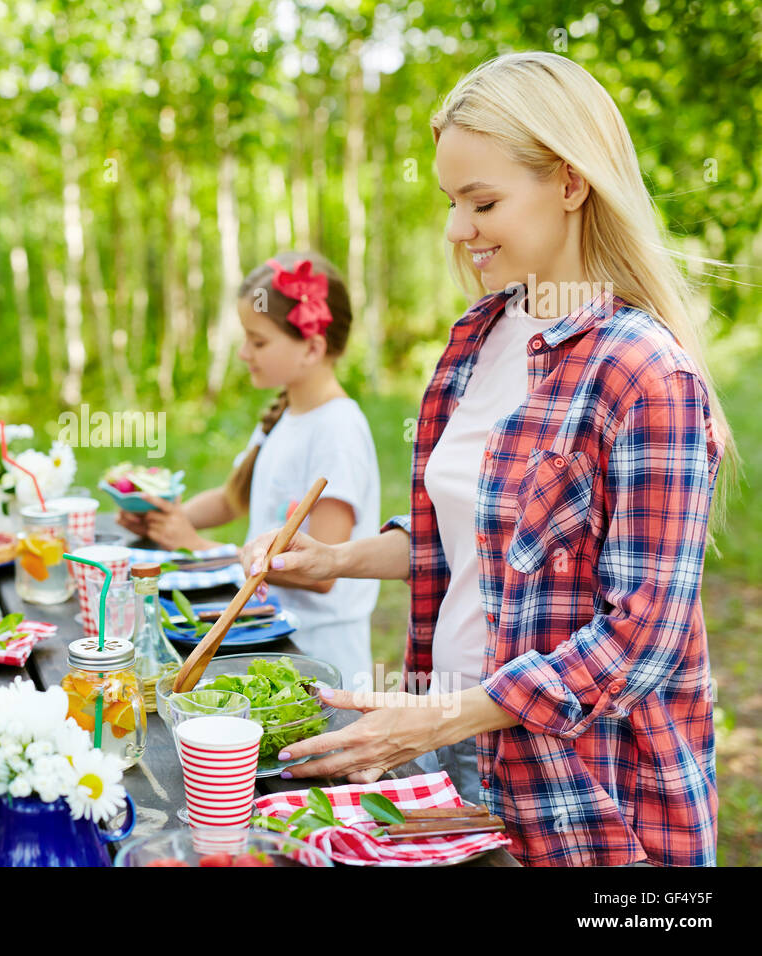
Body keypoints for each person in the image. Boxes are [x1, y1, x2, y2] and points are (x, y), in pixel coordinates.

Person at [242, 52, 735, 866]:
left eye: (484, 202)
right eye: (451, 202)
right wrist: (340, 557)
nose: (455, 229)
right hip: (453, 757)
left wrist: (450, 715)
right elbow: (473, 534)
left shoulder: (644, 373)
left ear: (571, 184)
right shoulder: (478, 339)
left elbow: (644, 639)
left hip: (587, 794)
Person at [119, 251, 382, 691]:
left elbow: (325, 571)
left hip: (320, 662)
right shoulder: (285, 414)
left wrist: (202, 548)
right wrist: (160, 514)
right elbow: (230, 499)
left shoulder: (338, 430)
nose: (244, 353)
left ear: (313, 347)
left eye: (258, 342)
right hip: (273, 641)